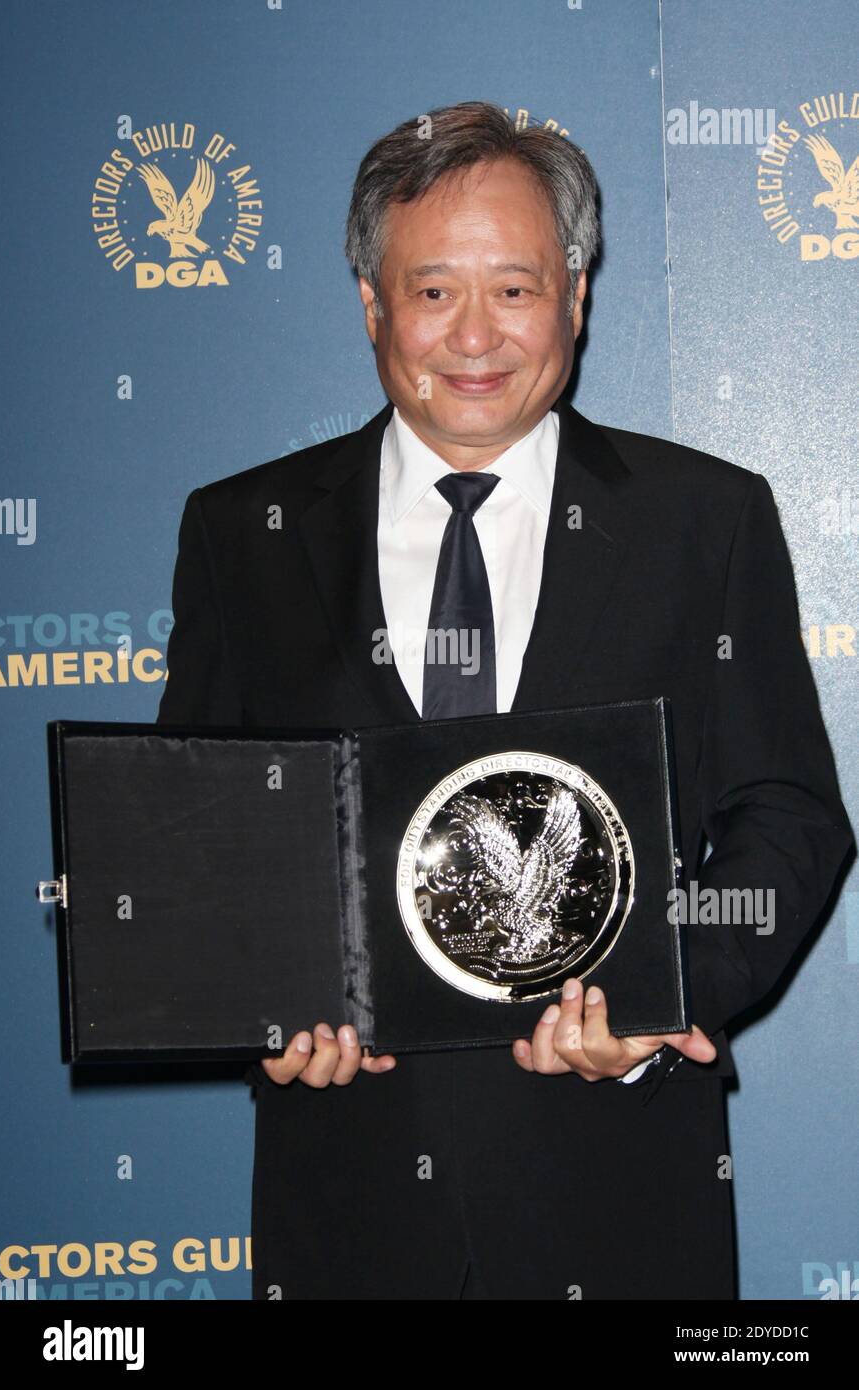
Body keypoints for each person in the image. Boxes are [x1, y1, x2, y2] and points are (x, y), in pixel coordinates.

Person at [156, 101, 854, 1300]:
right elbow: (189, 836)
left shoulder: (703, 520)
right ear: (371, 305)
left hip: (624, 1199)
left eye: (516, 289)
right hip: (349, 1211)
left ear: (574, 298)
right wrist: (264, 1018)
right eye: (431, 292)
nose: (472, 335)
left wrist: (659, 996)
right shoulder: (244, 534)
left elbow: (787, 815)